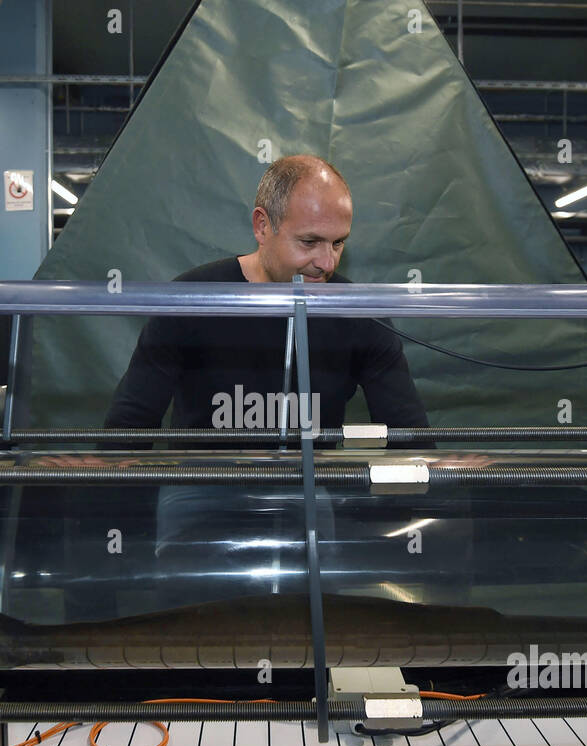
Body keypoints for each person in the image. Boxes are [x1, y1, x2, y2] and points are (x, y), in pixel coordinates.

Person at [103, 154, 431, 608]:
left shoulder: (359, 313)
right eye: (310, 241)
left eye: (338, 244)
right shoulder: (192, 301)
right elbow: (128, 428)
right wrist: (121, 542)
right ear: (262, 225)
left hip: (308, 495)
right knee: (197, 632)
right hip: (203, 494)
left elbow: (409, 433)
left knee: (309, 630)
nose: (325, 262)